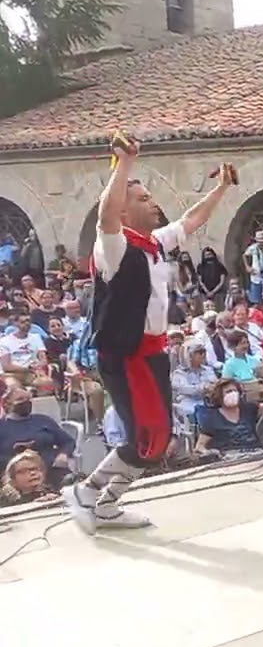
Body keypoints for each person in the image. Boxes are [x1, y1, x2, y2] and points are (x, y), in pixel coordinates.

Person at [62, 141, 233, 533]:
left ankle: (101, 503)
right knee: (145, 437)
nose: (153, 203)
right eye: (142, 198)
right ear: (123, 207)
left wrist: (222, 188)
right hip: (126, 354)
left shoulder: (153, 243)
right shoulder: (113, 246)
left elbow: (191, 220)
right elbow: (106, 213)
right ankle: (90, 495)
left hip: (152, 353)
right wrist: (125, 162)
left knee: (158, 439)